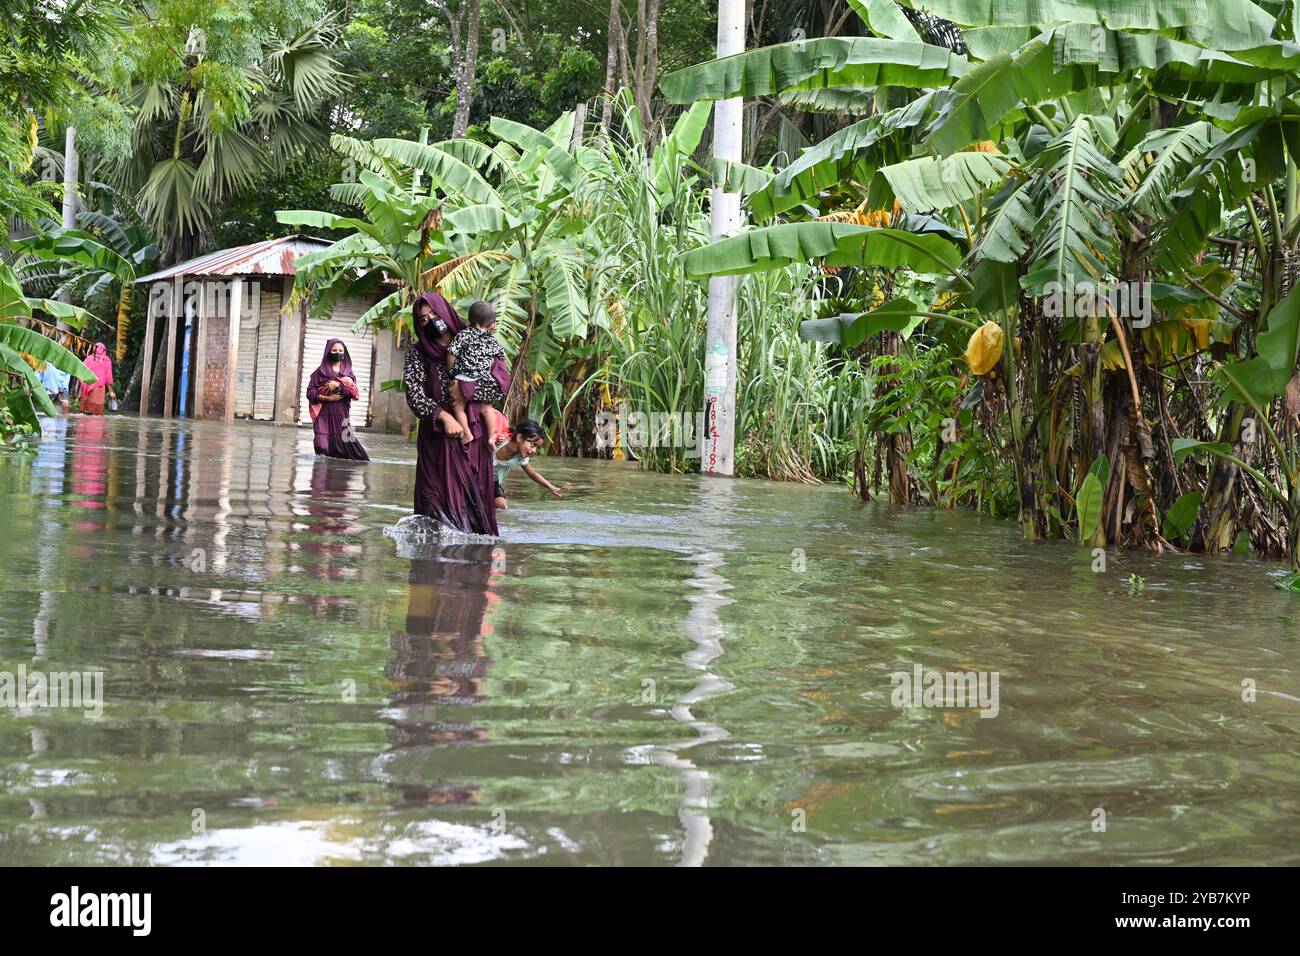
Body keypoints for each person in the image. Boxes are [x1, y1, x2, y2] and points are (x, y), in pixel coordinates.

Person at [404, 292, 502, 536]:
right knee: (434, 513)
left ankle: (471, 569)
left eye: (435, 314)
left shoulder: (475, 341)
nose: (432, 321)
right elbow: (414, 394)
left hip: (474, 441)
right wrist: (443, 415)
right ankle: (430, 571)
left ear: (446, 312)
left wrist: (464, 390)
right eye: (425, 320)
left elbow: (499, 383)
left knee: (474, 515)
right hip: (437, 443)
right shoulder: (418, 352)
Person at [446, 301, 507, 446]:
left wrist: (451, 371)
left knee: (458, 406)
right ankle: (492, 436)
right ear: (492, 325)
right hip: (485, 381)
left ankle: (467, 433)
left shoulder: (464, 335)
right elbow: (502, 359)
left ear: (469, 321)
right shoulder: (492, 340)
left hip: (464, 379)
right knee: (487, 409)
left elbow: (451, 352)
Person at [306, 338, 370, 461]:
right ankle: (321, 475)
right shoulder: (319, 373)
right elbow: (310, 393)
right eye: (334, 350)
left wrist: (338, 385)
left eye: (340, 350)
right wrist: (327, 398)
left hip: (342, 413)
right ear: (328, 352)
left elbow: (354, 392)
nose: (337, 353)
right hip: (323, 414)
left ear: (344, 353)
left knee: (347, 444)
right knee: (321, 446)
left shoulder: (349, 373)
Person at [492, 419, 572, 510]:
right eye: (532, 445)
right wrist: (493, 437)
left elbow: (533, 474)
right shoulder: (498, 441)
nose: (534, 450)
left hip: (494, 481)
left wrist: (552, 488)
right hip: (479, 474)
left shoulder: (521, 457)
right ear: (519, 438)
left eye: (536, 447)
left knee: (502, 506)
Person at [79, 342, 115, 415]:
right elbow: (108, 377)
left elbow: (80, 370)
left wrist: (82, 383)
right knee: (97, 411)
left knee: (86, 411)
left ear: (94, 349)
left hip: (88, 386)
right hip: (99, 388)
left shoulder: (89, 358)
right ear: (104, 350)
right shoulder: (107, 360)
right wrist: (111, 391)